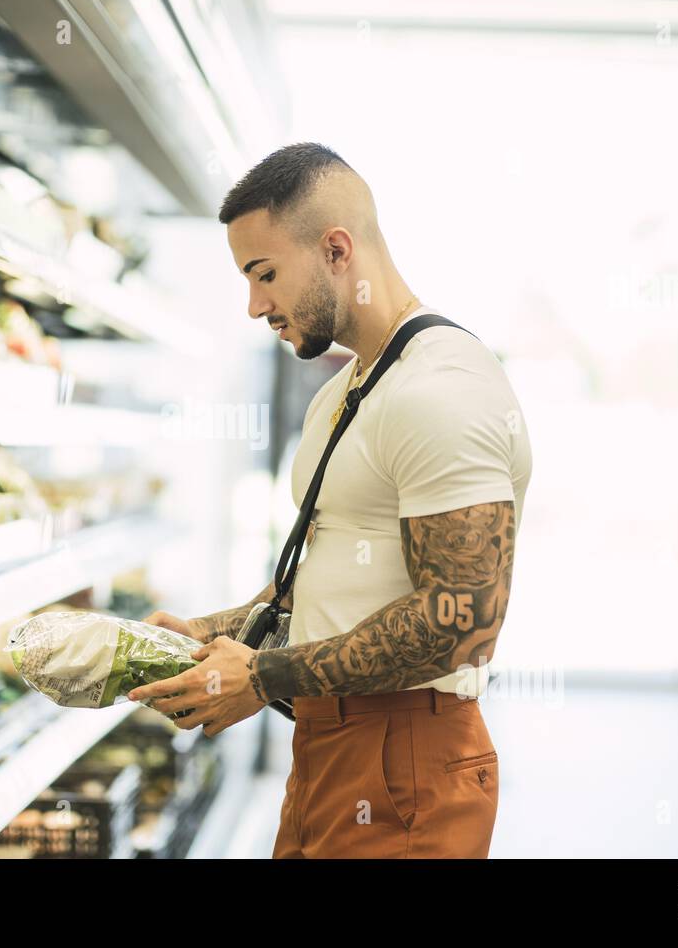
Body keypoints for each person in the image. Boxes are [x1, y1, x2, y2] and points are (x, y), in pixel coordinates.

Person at [127, 143, 532, 858]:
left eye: (265, 274)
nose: (256, 305)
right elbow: (325, 579)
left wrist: (259, 675)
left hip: (404, 757)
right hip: (328, 748)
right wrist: (207, 632)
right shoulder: (346, 392)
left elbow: (464, 621)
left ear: (337, 250)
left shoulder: (442, 389)